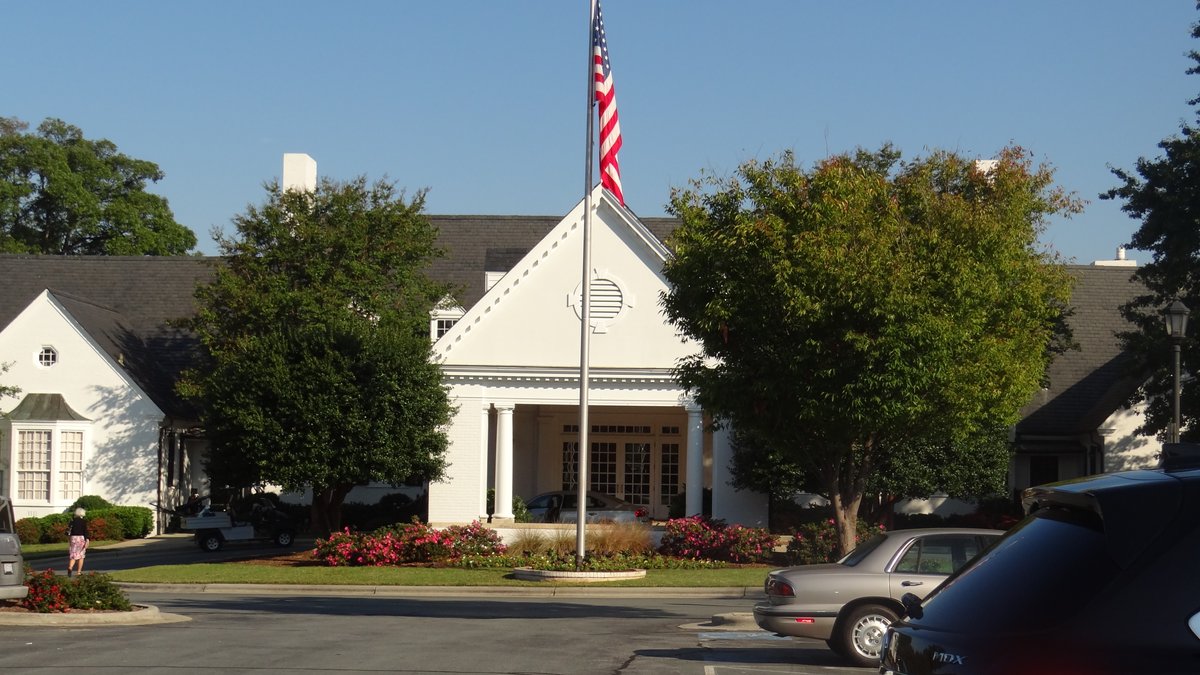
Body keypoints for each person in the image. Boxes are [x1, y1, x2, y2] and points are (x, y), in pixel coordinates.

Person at [66, 507, 88, 578]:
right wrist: (87, 540)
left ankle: (70, 567)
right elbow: (85, 532)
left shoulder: (72, 521)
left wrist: (69, 540)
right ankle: (78, 572)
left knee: (73, 554)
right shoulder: (83, 521)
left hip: (73, 538)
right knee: (81, 555)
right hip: (81, 538)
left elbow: (68, 532)